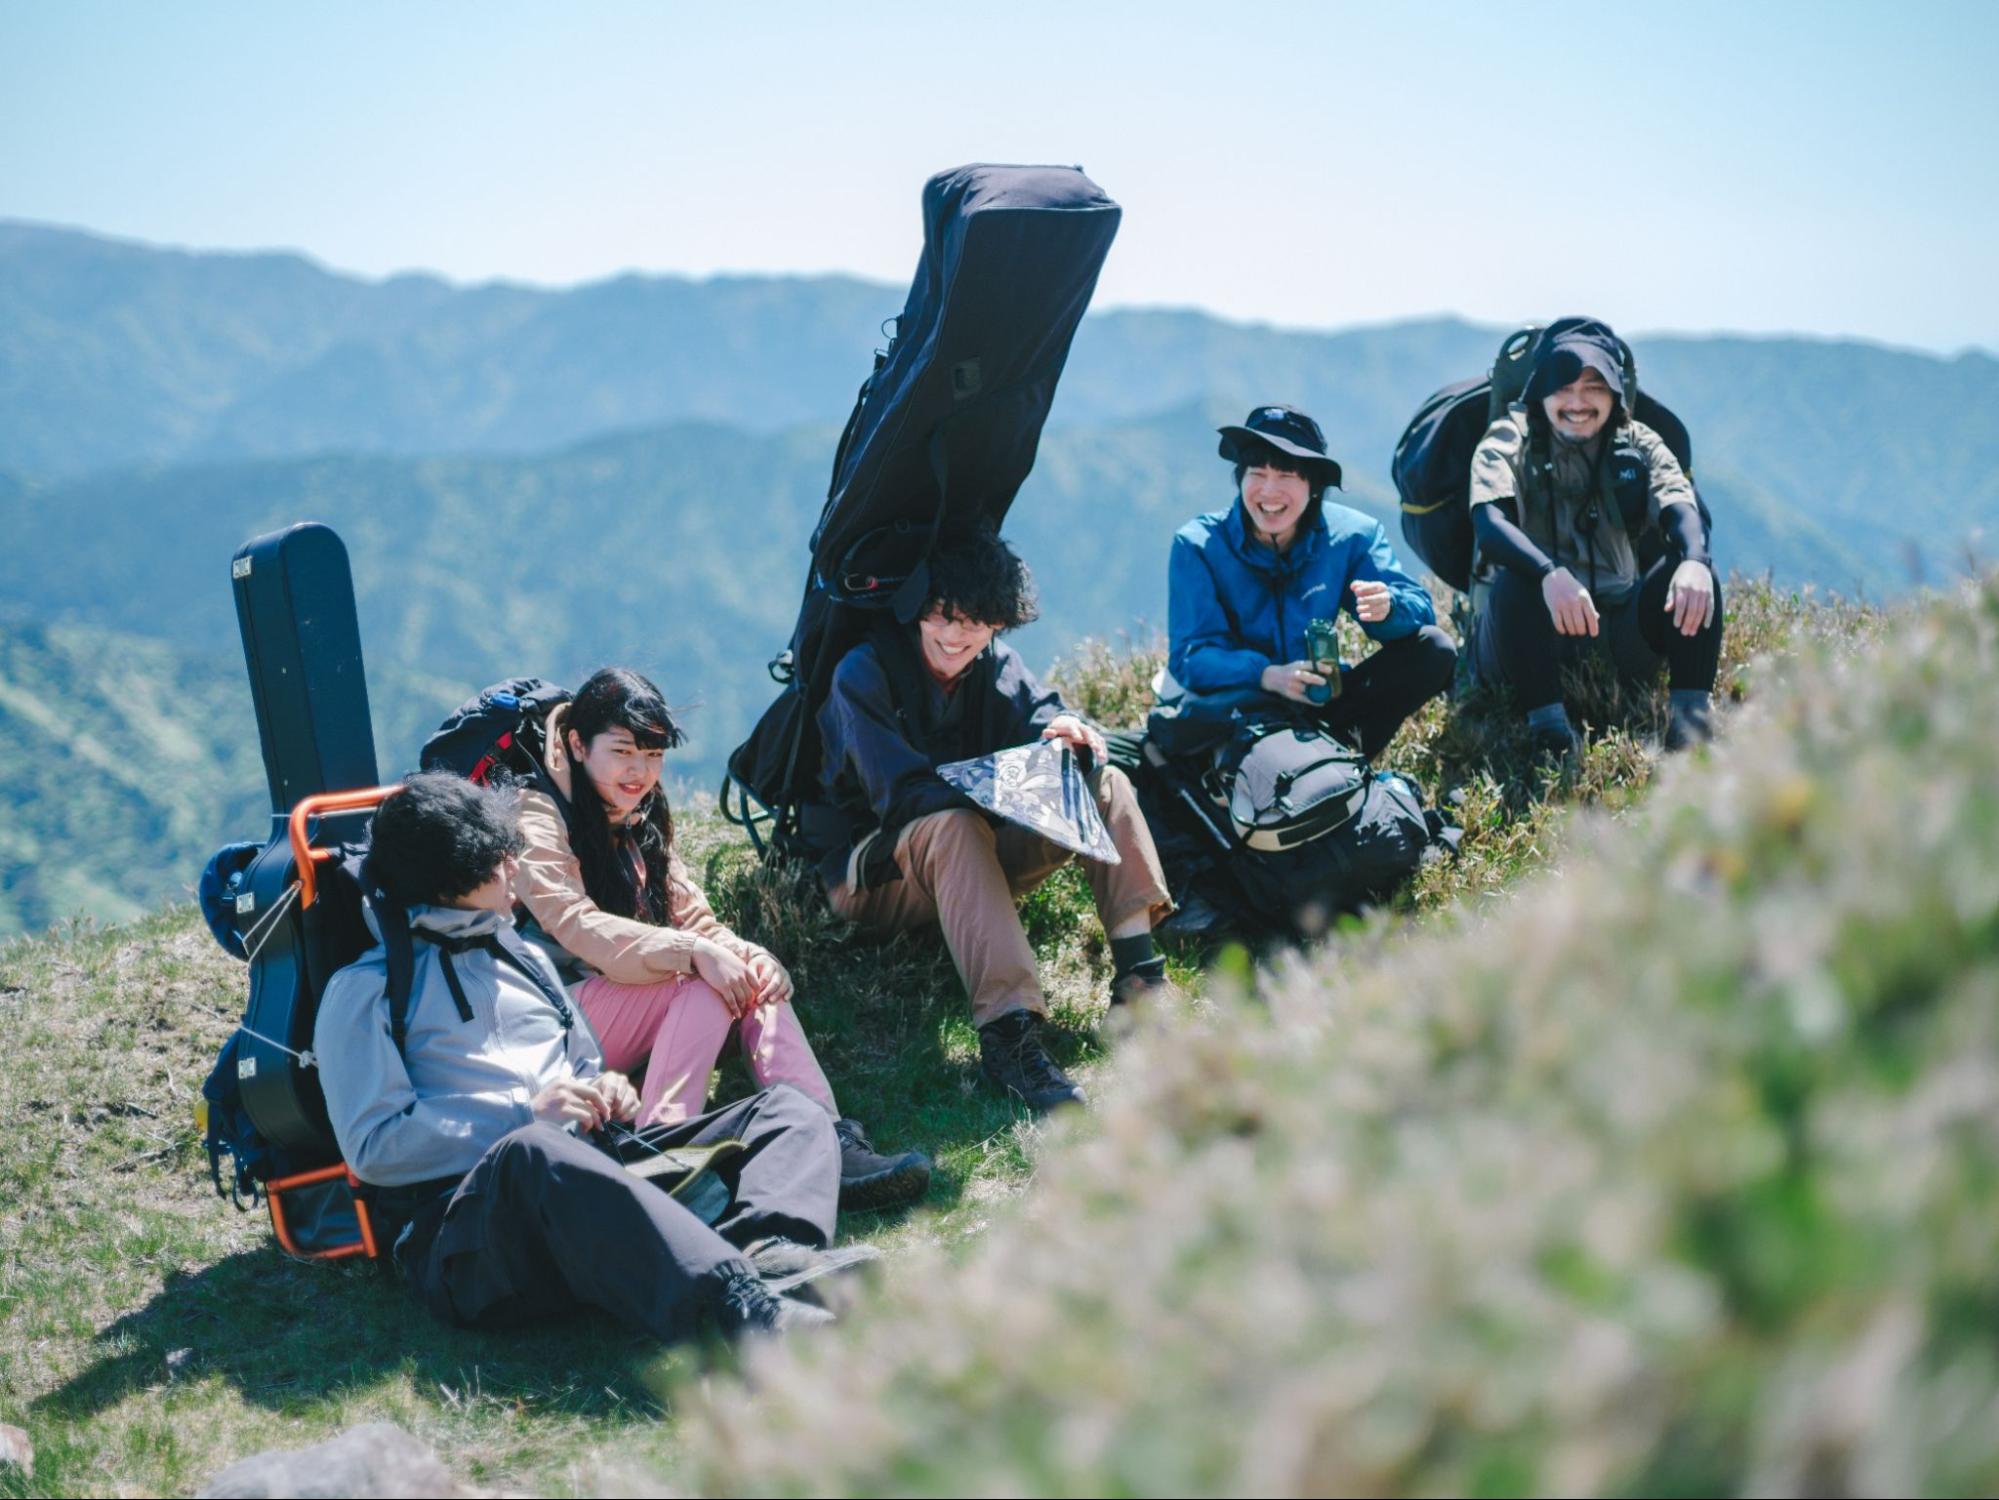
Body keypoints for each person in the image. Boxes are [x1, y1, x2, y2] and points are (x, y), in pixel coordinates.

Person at [314, 772, 849, 1342]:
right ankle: (738, 1308)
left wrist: (610, 1093)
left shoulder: (520, 957)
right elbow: (373, 1147)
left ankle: (773, 1255)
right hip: (465, 1235)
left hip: (585, 1172)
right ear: (445, 881)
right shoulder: (364, 992)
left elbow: (583, 1069)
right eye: (496, 861)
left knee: (787, 1111)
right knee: (531, 1149)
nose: (513, 867)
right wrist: (524, 1115)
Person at [511, 667, 932, 1212]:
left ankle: (827, 1143)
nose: (640, 771)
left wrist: (749, 956)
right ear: (576, 743)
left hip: (627, 1006)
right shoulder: (536, 813)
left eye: (653, 755)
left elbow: (696, 922)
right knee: (703, 979)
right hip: (560, 1025)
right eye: (622, 752)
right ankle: (661, 1151)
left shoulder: (640, 813)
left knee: (746, 978)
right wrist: (694, 953)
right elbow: (577, 926)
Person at [802, 527, 1175, 1113]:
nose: (953, 635)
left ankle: (1140, 983)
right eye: (941, 615)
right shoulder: (863, 673)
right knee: (954, 823)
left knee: (1105, 783)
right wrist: (995, 792)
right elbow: (899, 797)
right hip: (872, 874)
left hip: (973, 858)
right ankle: (1010, 1038)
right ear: (917, 609)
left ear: (998, 624)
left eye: (973, 622)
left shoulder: (997, 665)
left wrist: (1070, 740)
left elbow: (1044, 718)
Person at [1465, 317, 1721, 756]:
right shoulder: (1509, 438)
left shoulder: (1637, 440)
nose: (1577, 402)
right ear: (1540, 391)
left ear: (1615, 395)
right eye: (1562, 387)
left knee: (1695, 574)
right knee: (1515, 582)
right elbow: (1491, 523)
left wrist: (1695, 559)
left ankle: (1690, 726)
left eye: (1594, 388)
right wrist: (1548, 573)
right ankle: (1550, 732)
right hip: (1523, 637)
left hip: (1617, 632)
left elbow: (1682, 507)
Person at [1166, 405, 1457, 757]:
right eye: (1256, 473)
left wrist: (1390, 608)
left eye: (1287, 476)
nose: (1269, 491)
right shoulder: (1198, 545)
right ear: (1240, 478)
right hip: (1242, 707)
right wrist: (1268, 675)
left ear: (1313, 487)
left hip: (1320, 698)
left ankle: (1344, 757)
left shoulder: (1351, 536)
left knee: (1434, 648)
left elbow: (1420, 612)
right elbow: (1190, 656)